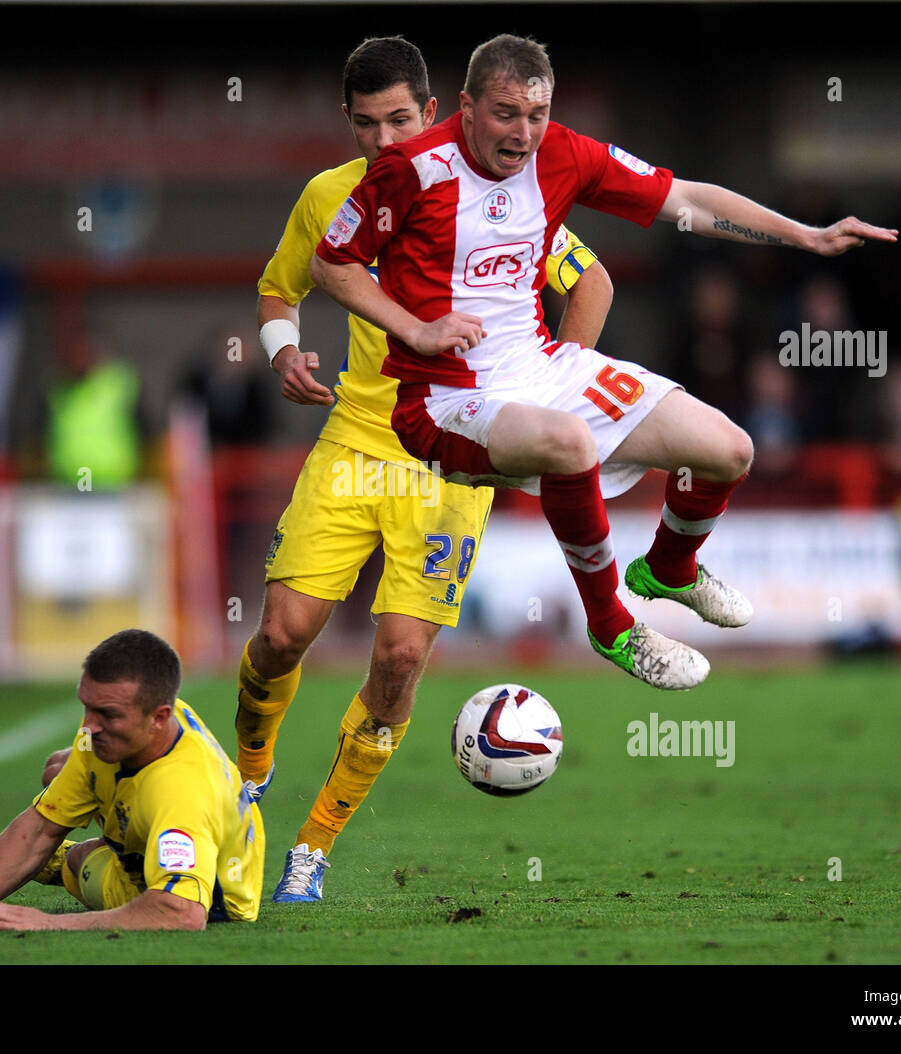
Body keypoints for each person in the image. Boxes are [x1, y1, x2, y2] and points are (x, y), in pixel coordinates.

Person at [312, 33, 898, 691]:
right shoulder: (412, 168)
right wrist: (415, 331)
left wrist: (806, 235)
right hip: (442, 397)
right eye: (507, 114)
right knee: (570, 442)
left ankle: (670, 567)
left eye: (537, 115)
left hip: (540, 364)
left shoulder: (562, 152)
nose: (524, 132)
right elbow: (330, 264)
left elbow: (687, 201)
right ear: (466, 107)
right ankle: (612, 624)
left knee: (729, 449)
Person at [242, 36, 615, 903]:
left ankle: (314, 847)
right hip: (358, 440)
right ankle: (249, 772)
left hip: (447, 455)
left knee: (401, 659)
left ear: (433, 110)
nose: (384, 140)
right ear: (349, 121)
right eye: (367, 124)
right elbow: (278, 287)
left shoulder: (488, 189)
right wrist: (282, 350)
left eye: (400, 120)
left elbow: (588, 284)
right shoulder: (329, 198)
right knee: (281, 635)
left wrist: (543, 392)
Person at [0, 629, 263, 931]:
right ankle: (88, 834)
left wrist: (49, 922)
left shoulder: (182, 793)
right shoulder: (144, 714)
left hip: (213, 901)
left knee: (83, 861)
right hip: (159, 816)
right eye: (86, 707)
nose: (89, 727)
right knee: (58, 769)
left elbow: (181, 914)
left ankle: (64, 861)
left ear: (159, 718)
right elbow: (39, 828)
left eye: (107, 715)